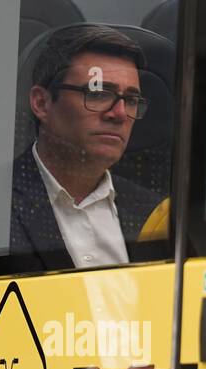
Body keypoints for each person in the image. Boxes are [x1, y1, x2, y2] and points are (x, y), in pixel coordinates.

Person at [9, 23, 167, 272]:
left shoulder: (156, 215)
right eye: (98, 93)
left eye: (132, 100)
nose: (120, 113)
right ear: (41, 103)